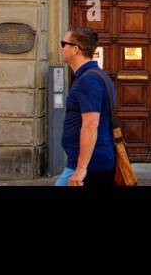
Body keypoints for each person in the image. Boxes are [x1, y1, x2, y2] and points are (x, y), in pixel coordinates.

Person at [59, 26, 117, 187]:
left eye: (63, 44)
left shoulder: (88, 80)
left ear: (75, 49)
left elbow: (91, 124)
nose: (61, 48)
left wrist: (81, 168)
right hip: (89, 162)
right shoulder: (93, 76)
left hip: (91, 165)